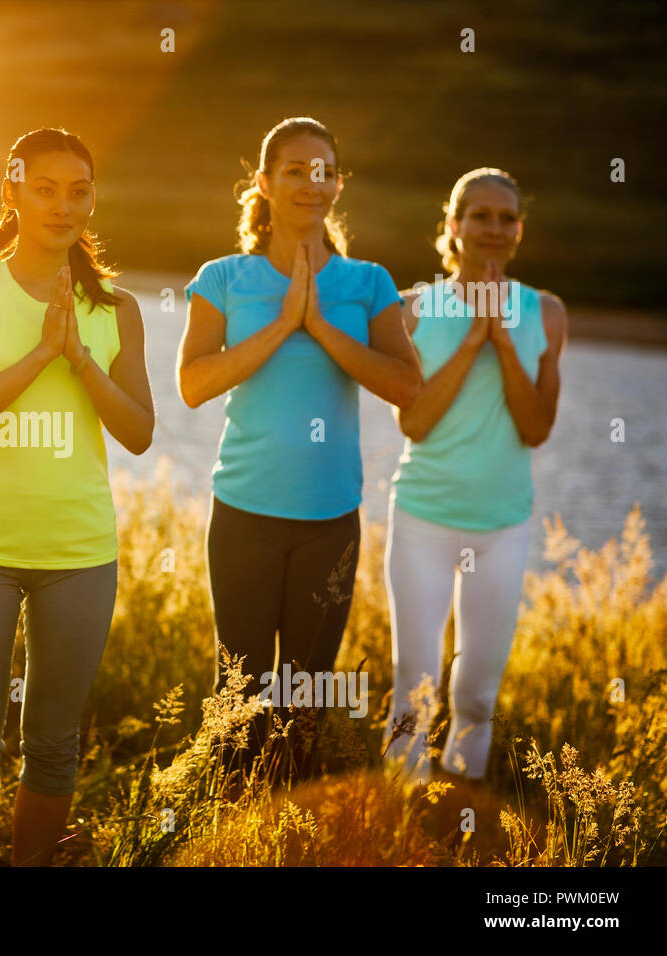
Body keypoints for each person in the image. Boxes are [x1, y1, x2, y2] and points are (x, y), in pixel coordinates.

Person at [0, 127, 154, 865]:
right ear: (12, 193)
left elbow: (141, 432)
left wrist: (80, 359)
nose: (64, 206)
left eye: (79, 191)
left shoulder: (118, 310)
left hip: (79, 554)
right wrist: (39, 355)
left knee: (55, 742)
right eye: (45, 189)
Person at [177, 116, 420, 782]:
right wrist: (285, 323)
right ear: (263, 183)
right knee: (244, 696)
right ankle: (231, 827)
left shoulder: (368, 284)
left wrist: (321, 328)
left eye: (323, 172)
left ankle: (289, 837)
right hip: (244, 516)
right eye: (294, 170)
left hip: (329, 523)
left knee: (305, 699)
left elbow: (406, 386)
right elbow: (193, 383)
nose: (311, 185)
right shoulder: (224, 277)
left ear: (338, 184)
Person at [383, 168, 566, 783]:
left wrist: (505, 344)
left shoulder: (546, 312)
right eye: (479, 215)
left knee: (480, 692)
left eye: (506, 218)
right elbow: (416, 423)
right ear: (453, 226)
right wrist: (471, 343)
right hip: (422, 520)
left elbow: (536, 428)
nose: (493, 227)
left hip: (502, 527)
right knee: (415, 681)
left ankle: (462, 810)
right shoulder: (414, 309)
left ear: (519, 231)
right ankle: (397, 812)